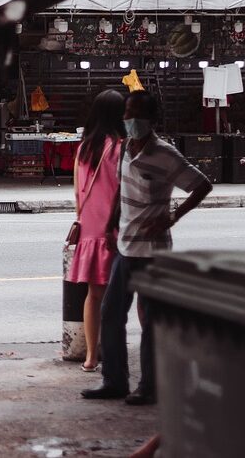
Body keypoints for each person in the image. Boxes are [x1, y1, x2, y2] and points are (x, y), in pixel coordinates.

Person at [82, 90, 212, 404]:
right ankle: (114, 381)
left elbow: (202, 185)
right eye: (128, 113)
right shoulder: (125, 148)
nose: (131, 120)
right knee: (112, 315)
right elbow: (119, 190)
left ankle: (149, 387)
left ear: (152, 120)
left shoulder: (165, 154)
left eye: (137, 115)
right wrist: (112, 223)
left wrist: (172, 216)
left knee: (152, 322)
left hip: (153, 254)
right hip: (125, 250)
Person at [66, 89, 126, 372]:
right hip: (116, 227)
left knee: (95, 294)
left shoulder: (84, 148)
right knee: (127, 293)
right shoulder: (121, 147)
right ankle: (117, 352)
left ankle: (91, 357)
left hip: (90, 227)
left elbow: (78, 193)